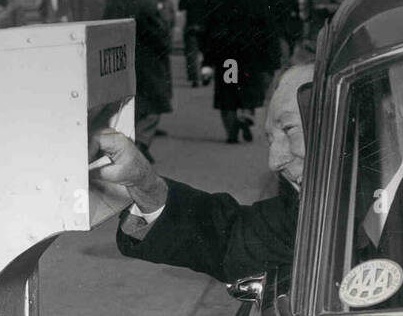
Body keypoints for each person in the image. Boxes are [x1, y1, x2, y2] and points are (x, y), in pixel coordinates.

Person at [93, 64, 314, 288]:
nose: (274, 161)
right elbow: (229, 240)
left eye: (289, 129)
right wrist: (146, 186)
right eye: (270, 140)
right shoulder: (309, 212)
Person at [102, 0, 172, 161]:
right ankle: (140, 145)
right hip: (147, 63)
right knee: (153, 107)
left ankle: (125, 145)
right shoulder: (146, 2)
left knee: (126, 106)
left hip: (118, 62)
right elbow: (160, 35)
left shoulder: (115, 2)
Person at [201, 0, 280, 144]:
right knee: (249, 89)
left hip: (228, 59)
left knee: (228, 93)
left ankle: (231, 133)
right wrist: (271, 58)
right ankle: (246, 113)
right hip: (251, 58)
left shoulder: (220, 3)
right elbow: (269, 33)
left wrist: (207, 62)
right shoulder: (257, 3)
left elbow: (210, 35)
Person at [178, 0, 214, 87]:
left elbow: (181, 7)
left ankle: (195, 79)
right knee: (206, 55)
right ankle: (206, 76)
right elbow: (212, 8)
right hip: (205, 27)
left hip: (191, 26)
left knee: (192, 54)